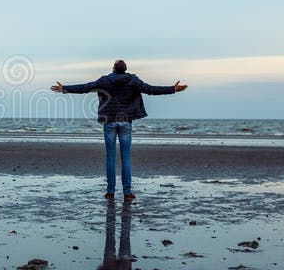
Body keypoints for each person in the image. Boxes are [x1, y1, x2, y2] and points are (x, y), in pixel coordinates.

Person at [51, 60, 187, 201]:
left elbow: (85, 87)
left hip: (109, 121)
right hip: (125, 122)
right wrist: (173, 89)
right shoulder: (133, 80)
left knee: (110, 157)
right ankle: (127, 193)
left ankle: (110, 192)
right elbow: (151, 90)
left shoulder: (104, 81)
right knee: (125, 158)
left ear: (113, 69)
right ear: (126, 69)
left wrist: (64, 88)